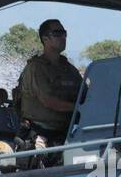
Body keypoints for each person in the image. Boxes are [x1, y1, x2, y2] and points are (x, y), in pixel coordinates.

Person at [14, 19, 84, 159]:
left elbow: (85, 94)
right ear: (45, 38)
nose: (63, 37)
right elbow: (48, 101)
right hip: (41, 138)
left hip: (66, 136)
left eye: (64, 33)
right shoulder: (36, 68)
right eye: (57, 33)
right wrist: (79, 108)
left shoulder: (70, 70)